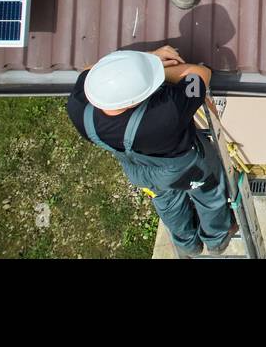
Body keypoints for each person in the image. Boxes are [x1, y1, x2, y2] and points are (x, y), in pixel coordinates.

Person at [66, 46, 235, 258]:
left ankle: (188, 245)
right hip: (182, 170)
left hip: (136, 170)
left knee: (167, 202)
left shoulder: (78, 107)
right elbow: (200, 74)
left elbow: (94, 71)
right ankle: (217, 239)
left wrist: (140, 65)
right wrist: (156, 69)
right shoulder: (165, 113)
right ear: (133, 101)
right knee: (209, 195)